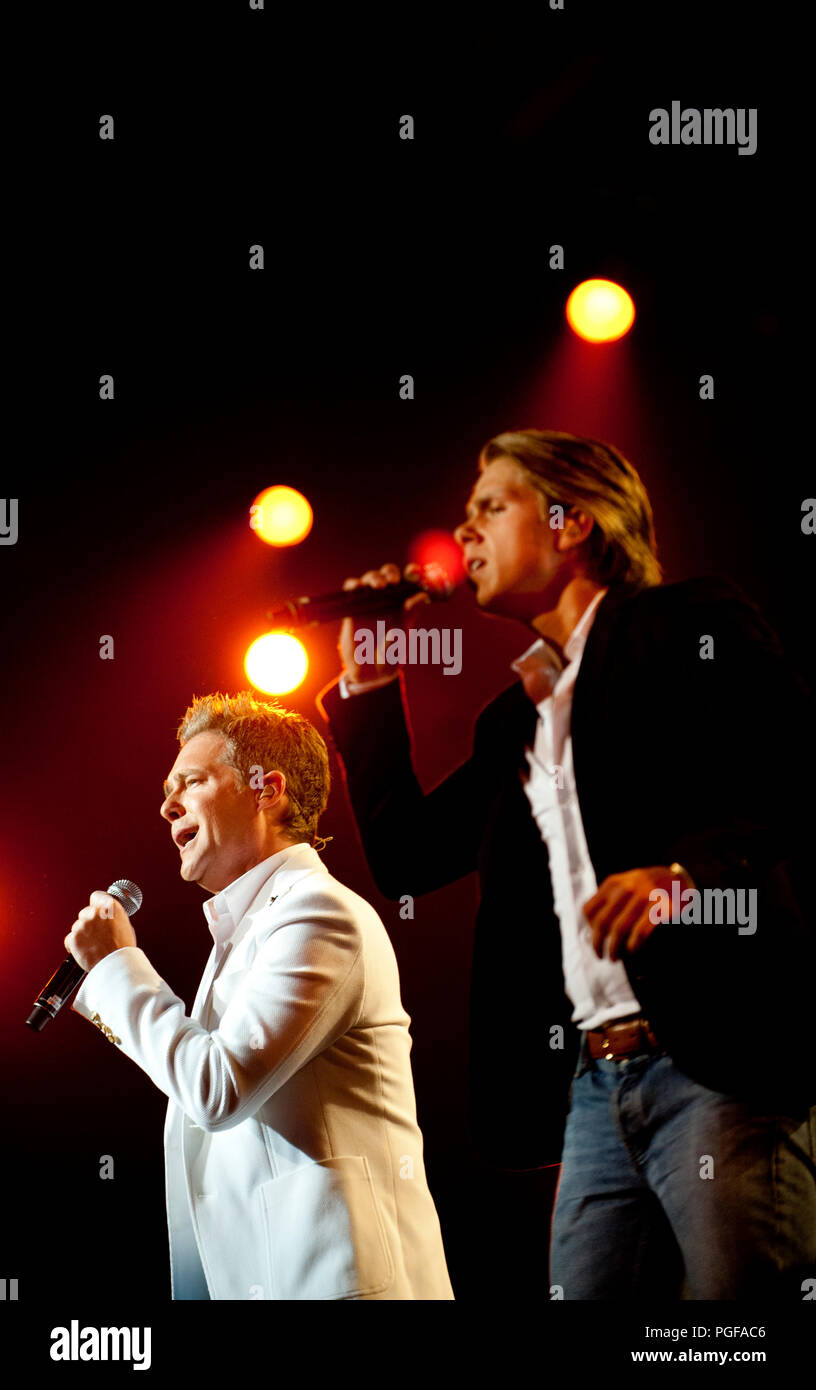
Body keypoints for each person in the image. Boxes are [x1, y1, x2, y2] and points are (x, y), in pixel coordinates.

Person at [317, 429, 816, 1299]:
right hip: (593, 1085)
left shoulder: (685, 623)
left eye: (490, 507)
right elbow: (406, 856)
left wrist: (689, 873)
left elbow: (800, 763)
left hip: (713, 1064)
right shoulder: (513, 718)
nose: (464, 532)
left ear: (570, 521)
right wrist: (368, 679)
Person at [64, 691, 454, 1301]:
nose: (167, 806)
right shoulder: (245, 930)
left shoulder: (320, 913)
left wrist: (116, 966)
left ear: (265, 790)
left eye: (190, 782)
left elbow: (216, 1089)